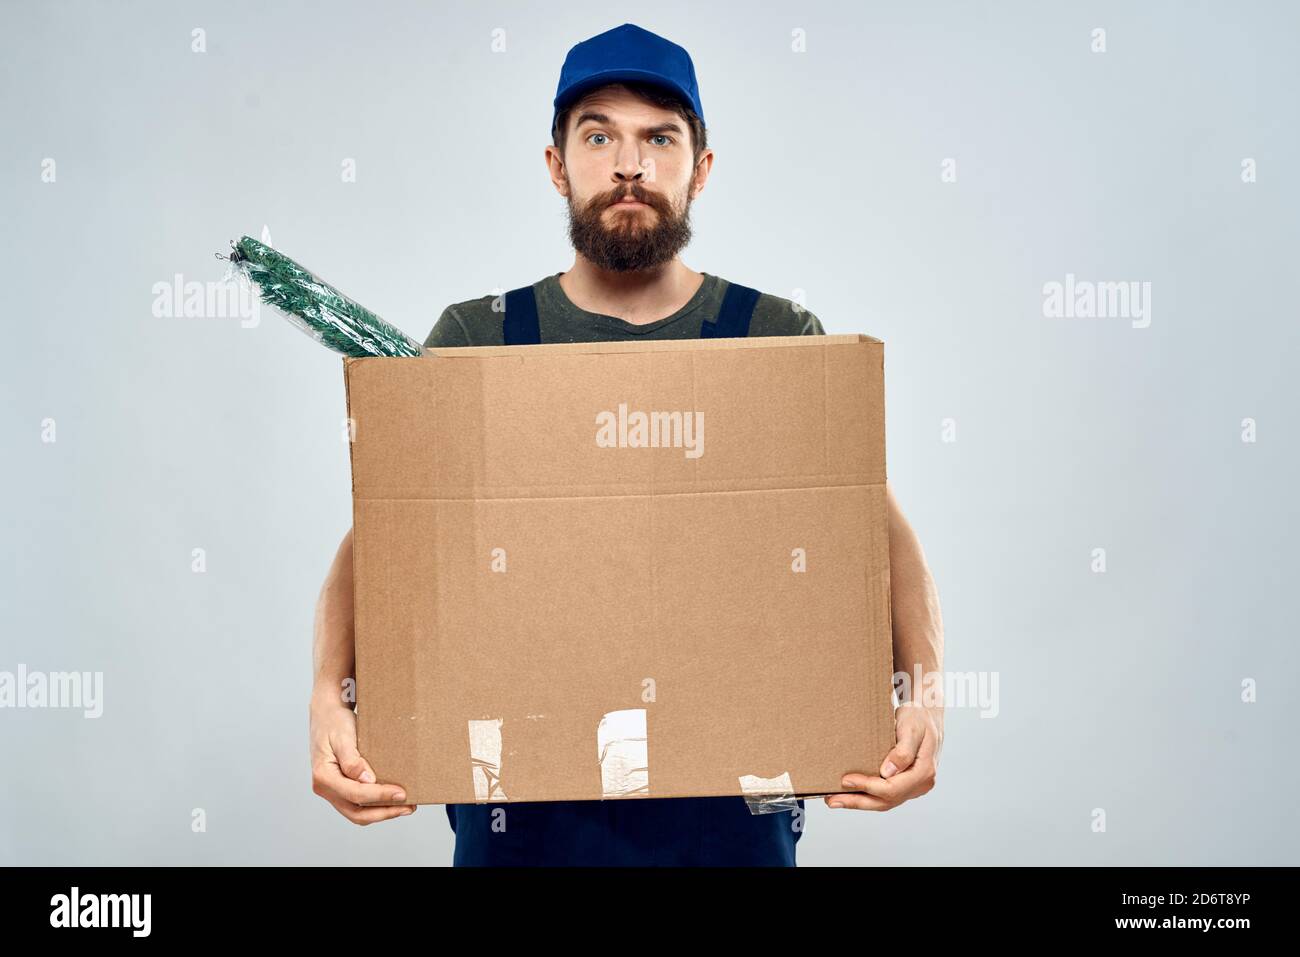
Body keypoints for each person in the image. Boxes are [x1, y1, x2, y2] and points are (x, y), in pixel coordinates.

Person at [310, 22, 945, 866]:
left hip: (732, 820)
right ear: (556, 164)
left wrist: (925, 695)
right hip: (524, 823)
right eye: (599, 134)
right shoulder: (478, 339)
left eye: (660, 138)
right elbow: (386, 534)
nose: (629, 164)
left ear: (702, 168)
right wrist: (328, 699)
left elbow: (872, 525)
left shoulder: (774, 338)